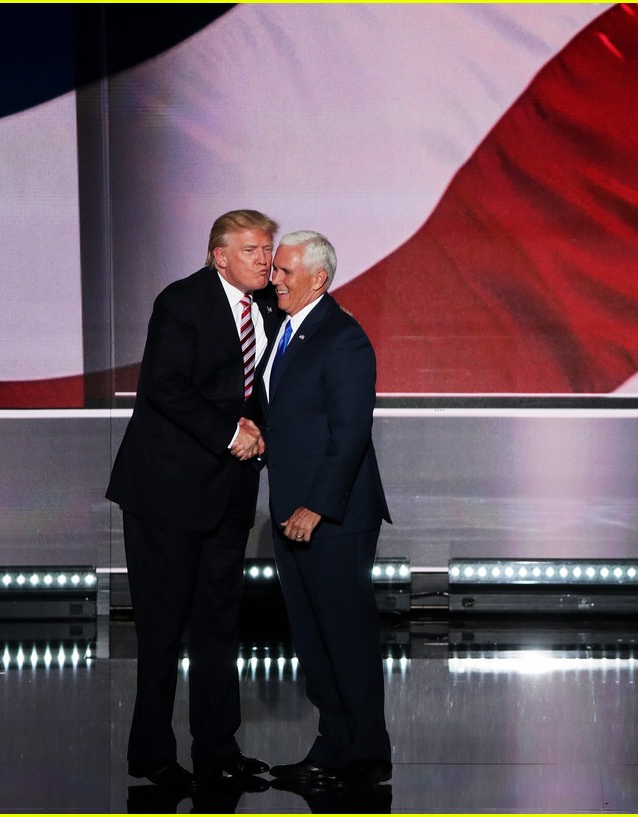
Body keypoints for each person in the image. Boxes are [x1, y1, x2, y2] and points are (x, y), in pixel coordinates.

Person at [106, 209, 284, 790]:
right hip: (167, 492)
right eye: (254, 250)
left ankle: (217, 747)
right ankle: (152, 753)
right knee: (161, 628)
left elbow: (262, 388)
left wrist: (258, 437)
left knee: (218, 624)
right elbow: (163, 387)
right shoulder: (180, 302)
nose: (265, 259)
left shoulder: (268, 308)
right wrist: (231, 432)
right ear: (220, 256)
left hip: (230, 492)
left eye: (268, 249)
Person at [255, 230, 393, 789]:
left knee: (346, 636)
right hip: (292, 510)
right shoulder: (284, 326)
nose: (275, 279)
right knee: (313, 641)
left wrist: (316, 505)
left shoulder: (344, 338)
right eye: (275, 270)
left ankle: (367, 754)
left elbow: (350, 432)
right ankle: (333, 745)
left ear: (318, 279)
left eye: (285, 271)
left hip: (331, 515)